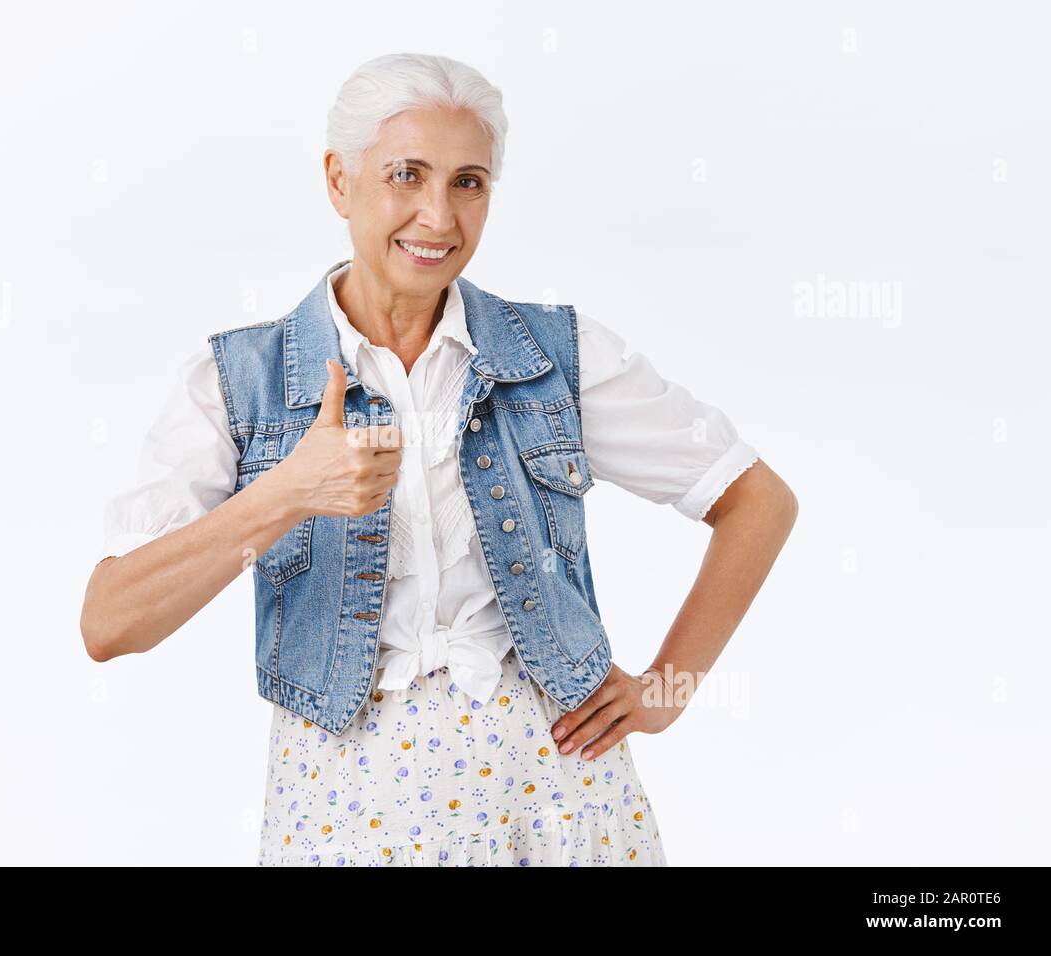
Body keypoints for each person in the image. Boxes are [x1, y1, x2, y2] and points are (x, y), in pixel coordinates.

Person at [80, 52, 799, 867]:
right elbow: (110, 622)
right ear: (338, 182)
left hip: (560, 804)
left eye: (468, 182)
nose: (438, 217)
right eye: (406, 175)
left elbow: (757, 501)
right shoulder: (237, 383)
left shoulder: (555, 358)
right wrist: (285, 494)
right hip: (346, 820)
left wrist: (668, 689)